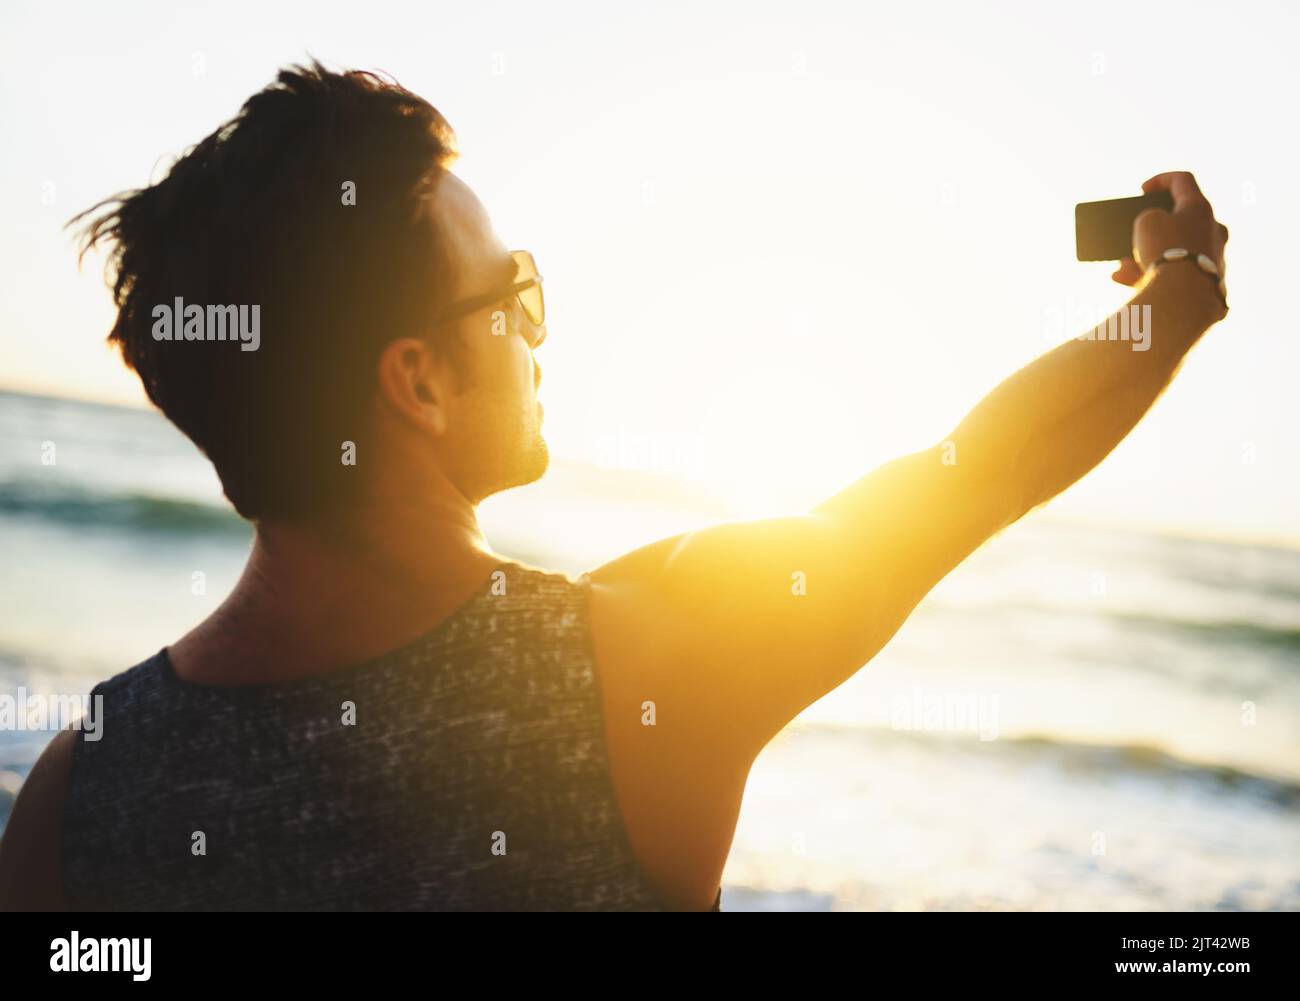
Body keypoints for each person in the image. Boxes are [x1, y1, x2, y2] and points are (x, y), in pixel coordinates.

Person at [0, 63, 1229, 911]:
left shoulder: (73, 795)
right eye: (509, 295)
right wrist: (1168, 305)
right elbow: (975, 472)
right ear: (417, 382)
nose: (536, 333)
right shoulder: (646, 663)